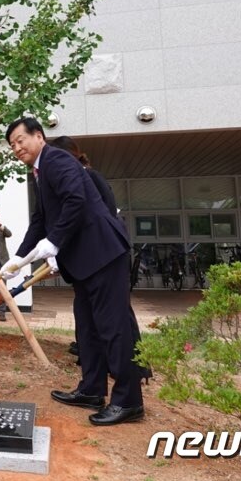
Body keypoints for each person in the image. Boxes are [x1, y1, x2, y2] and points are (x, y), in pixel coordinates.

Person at [0, 117, 143, 426]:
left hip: (103, 255)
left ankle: (128, 401)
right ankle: (92, 389)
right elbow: (40, 219)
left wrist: (54, 241)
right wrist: (18, 259)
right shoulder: (39, 172)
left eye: (20, 140)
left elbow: (75, 200)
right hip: (84, 262)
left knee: (113, 328)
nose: (17, 148)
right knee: (88, 329)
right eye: (12, 145)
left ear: (39, 136)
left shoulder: (56, 159)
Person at [49, 135, 150, 381]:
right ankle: (96, 365)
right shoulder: (74, 180)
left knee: (118, 315)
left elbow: (102, 216)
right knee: (90, 314)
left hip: (106, 255)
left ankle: (136, 367)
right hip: (88, 259)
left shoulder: (90, 177)